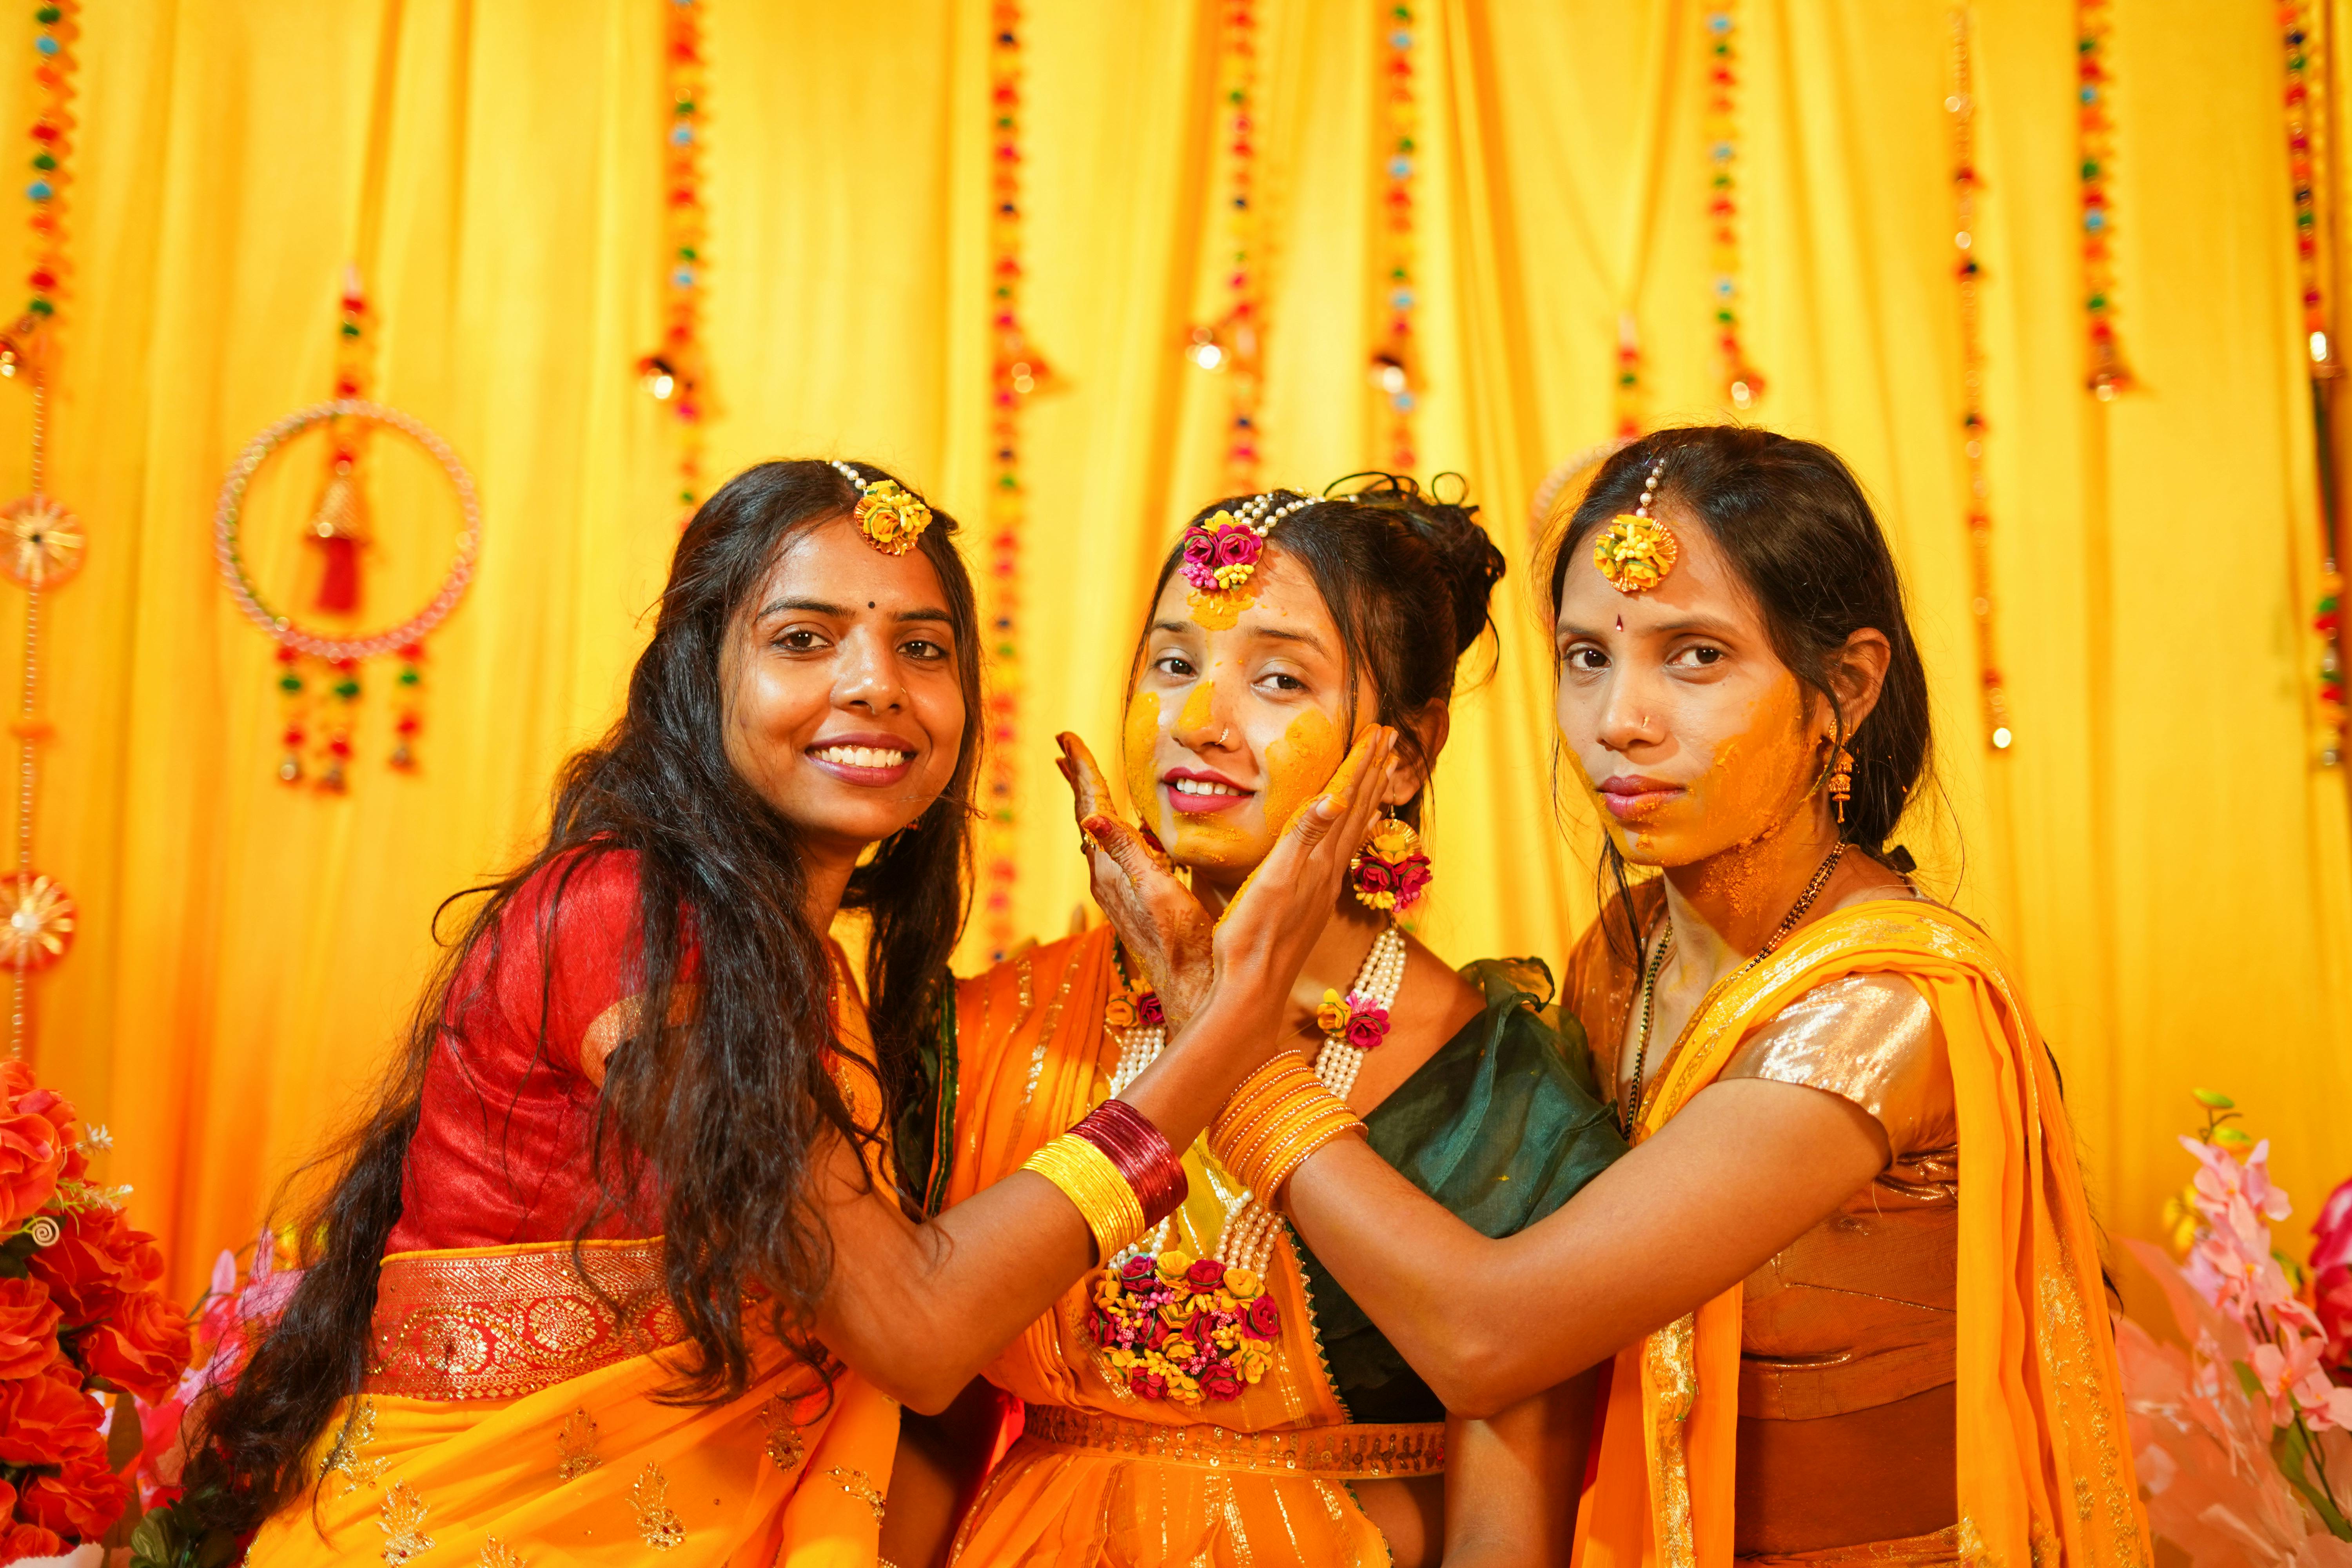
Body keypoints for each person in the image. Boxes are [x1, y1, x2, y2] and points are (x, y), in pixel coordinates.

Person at [176, 459, 1392, 1568]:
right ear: (700, 675)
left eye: (924, 650)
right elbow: (912, 1332)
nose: (875, 687)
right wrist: (1218, 1035)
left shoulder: (805, 971)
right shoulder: (627, 919)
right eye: (804, 639)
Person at [1080, 430, 2150, 1565]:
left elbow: (1490, 1339)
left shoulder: (1880, 1012)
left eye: (1694, 658)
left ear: (1848, 685)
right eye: (1588, 658)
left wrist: (1224, 1038)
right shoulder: (1630, 952)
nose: (1620, 721)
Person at [924, 477, 1626, 1568]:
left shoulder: (1497, 1099)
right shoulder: (998, 1029)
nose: (1198, 725)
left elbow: (1506, 1532)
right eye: (1173, 664)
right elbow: (924, 1434)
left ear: (1402, 755)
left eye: (1279, 679)